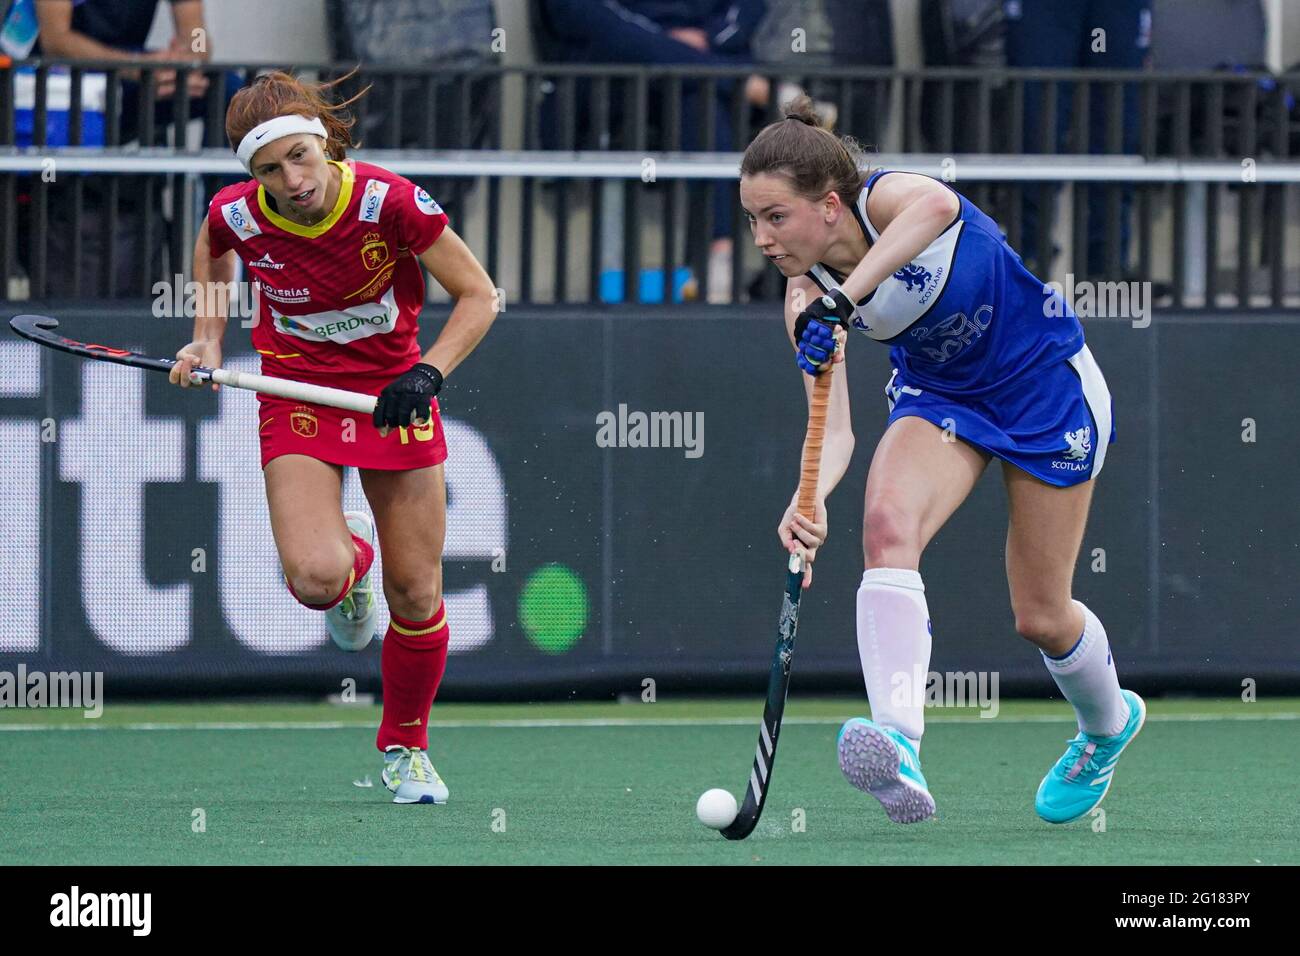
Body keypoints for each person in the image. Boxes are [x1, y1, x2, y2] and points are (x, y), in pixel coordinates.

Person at [739, 97, 1144, 825]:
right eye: (752, 221)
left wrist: (845, 302)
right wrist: (812, 500)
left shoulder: (884, 198)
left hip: (1045, 387)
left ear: (829, 206)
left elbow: (939, 205)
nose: (762, 239)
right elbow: (833, 434)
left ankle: (1107, 726)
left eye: (776, 218)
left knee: (1042, 615)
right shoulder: (804, 299)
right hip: (944, 398)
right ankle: (900, 741)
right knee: (887, 524)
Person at [168, 71, 498, 805]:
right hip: (297, 395)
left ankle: (406, 748)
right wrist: (207, 341)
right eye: (268, 169)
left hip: (393, 395)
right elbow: (215, 250)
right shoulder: (239, 215)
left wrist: (429, 374)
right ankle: (349, 567)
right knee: (317, 580)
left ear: (325, 142)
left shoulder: (391, 202)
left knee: (414, 592)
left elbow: (480, 295)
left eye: (300, 157)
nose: (291, 181)